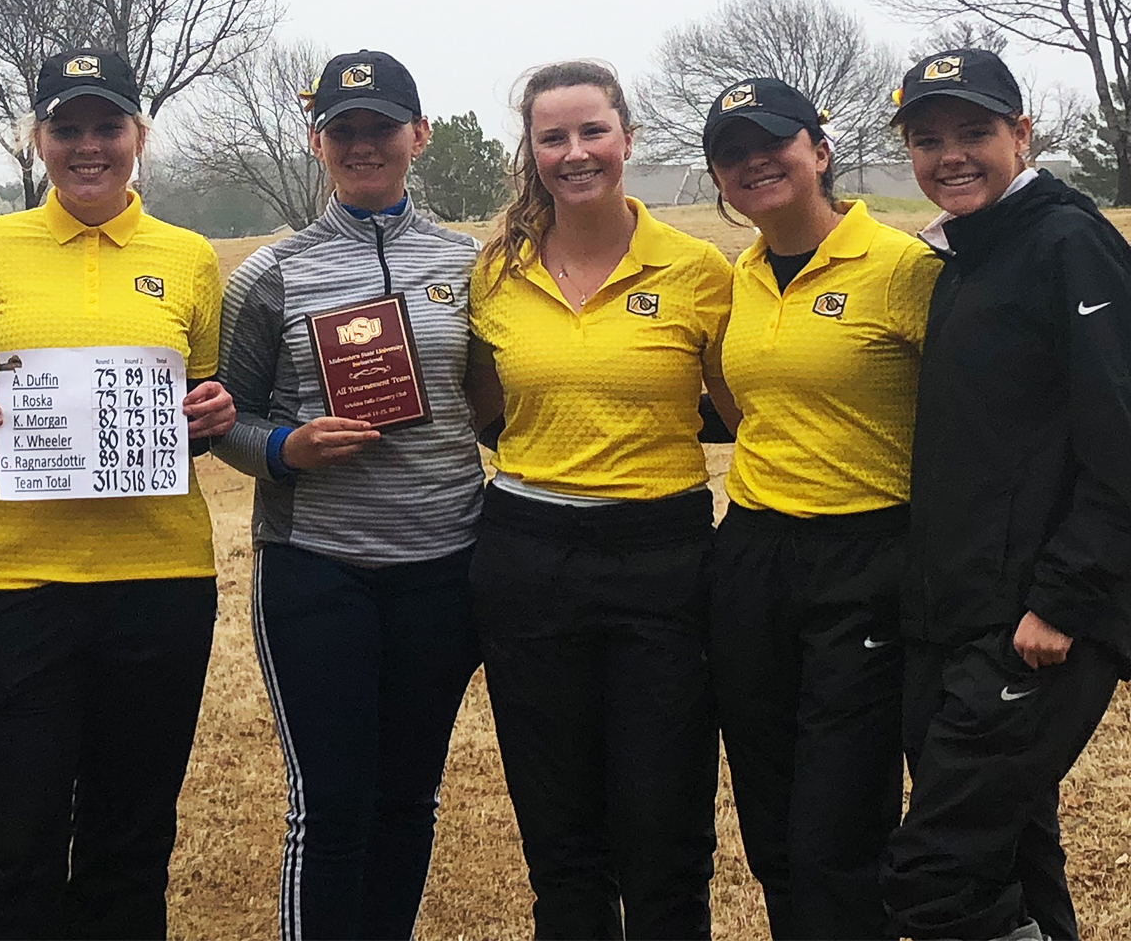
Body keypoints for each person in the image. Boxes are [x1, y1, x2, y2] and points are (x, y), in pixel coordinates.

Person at [0, 46, 236, 940]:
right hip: (11, 587)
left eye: (107, 126)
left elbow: (206, 406)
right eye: (66, 129)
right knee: (18, 842)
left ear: (139, 135)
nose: (88, 146)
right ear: (38, 142)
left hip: (158, 582)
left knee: (131, 839)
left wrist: (213, 413)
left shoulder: (187, 259)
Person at [211, 49, 483, 941]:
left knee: (409, 800)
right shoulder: (271, 273)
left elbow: (502, 406)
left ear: (419, 134)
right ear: (318, 142)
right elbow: (225, 420)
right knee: (330, 808)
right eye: (344, 131)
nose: (364, 144)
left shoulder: (470, 264)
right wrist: (287, 447)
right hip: (317, 566)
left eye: (382, 127)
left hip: (445, 565)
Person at [466, 60, 733, 940]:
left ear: (628, 138)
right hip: (528, 553)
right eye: (553, 137)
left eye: (592, 132)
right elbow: (477, 408)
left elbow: (744, 412)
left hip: (662, 558)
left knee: (665, 828)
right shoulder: (495, 272)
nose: (574, 152)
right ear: (531, 150)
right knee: (560, 832)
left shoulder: (699, 272)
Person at [882, 48, 1131, 941]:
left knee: (935, 876)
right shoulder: (969, 256)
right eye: (928, 138)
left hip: (1037, 628)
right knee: (1015, 857)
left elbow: (1123, 437)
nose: (951, 154)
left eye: (975, 132)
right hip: (959, 617)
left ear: (1022, 133)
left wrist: (1065, 601)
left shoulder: (1070, 244)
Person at [701, 78, 941, 940]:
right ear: (720, 183)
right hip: (756, 553)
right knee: (771, 819)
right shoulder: (745, 276)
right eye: (731, 154)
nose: (753, 163)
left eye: (772, 142)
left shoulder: (905, 267)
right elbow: (742, 403)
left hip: (866, 556)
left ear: (820, 150)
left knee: (838, 825)